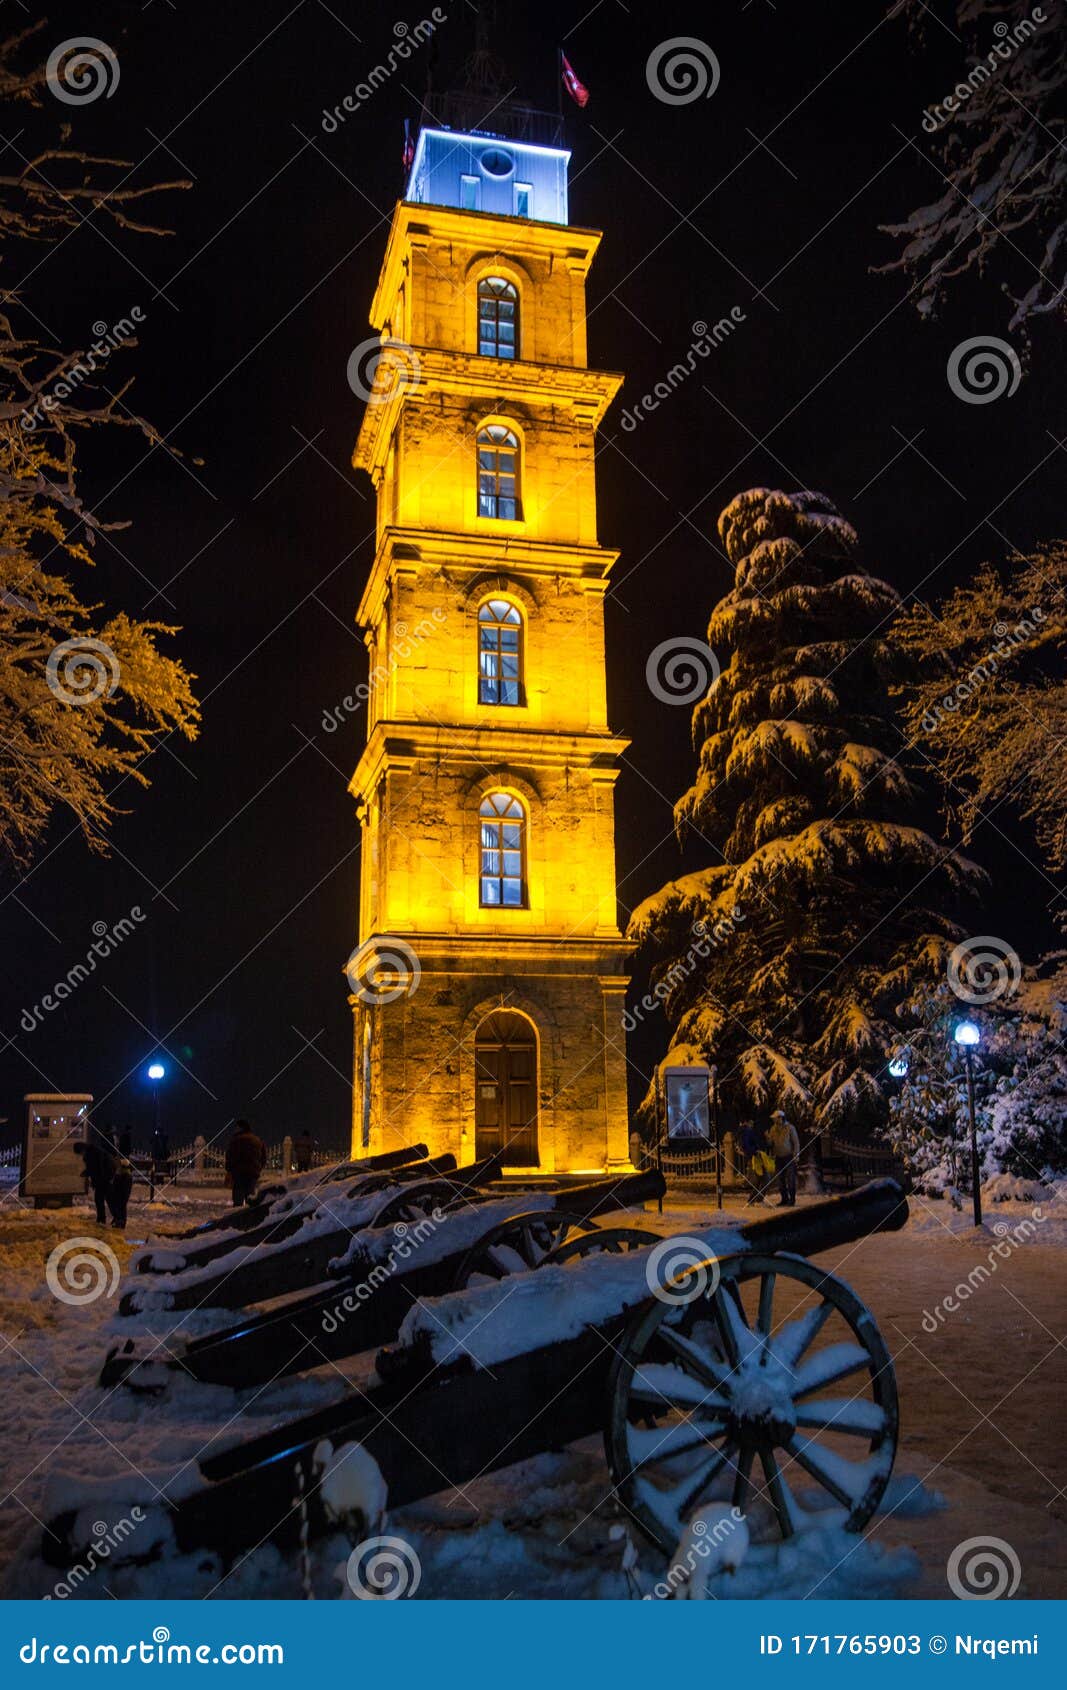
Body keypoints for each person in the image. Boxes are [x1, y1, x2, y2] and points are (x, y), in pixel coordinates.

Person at [225, 1119, 267, 1206]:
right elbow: (263, 1158)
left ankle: (237, 1218)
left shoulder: (235, 1140)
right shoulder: (258, 1140)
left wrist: (229, 1170)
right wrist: (258, 1169)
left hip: (238, 1173)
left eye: (236, 1127)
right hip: (252, 1173)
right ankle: (250, 1217)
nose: (235, 1129)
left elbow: (230, 1157)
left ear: (240, 1128)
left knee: (238, 1200)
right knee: (250, 1199)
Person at [769, 1108, 801, 1207]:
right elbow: (771, 1143)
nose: (774, 1120)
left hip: (789, 1157)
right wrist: (768, 1139)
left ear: (780, 1118)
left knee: (790, 1179)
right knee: (780, 1180)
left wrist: (796, 1155)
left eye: (775, 1118)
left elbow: (796, 1142)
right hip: (778, 1157)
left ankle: (792, 1200)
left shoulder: (790, 1128)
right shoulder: (773, 1129)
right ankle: (784, 1199)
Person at [739, 1116, 772, 1205]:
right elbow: (746, 1146)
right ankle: (757, 1200)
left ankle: (752, 1200)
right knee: (765, 1180)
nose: (752, 1123)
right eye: (750, 1121)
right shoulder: (747, 1131)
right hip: (755, 1158)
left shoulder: (750, 1131)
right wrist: (755, 1151)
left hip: (757, 1157)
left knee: (759, 1181)